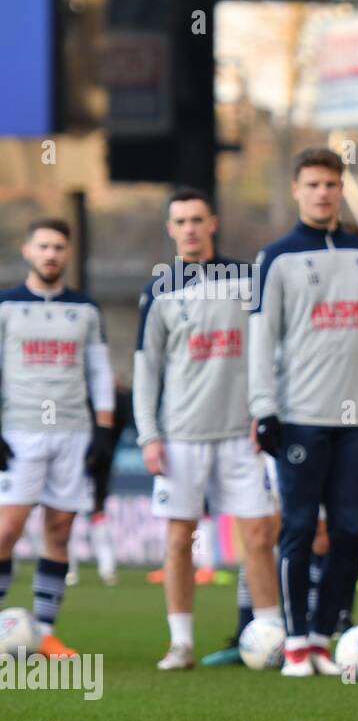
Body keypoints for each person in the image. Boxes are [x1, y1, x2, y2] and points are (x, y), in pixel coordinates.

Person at [249, 147, 358, 678]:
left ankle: (323, 639)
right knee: (299, 528)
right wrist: (263, 409)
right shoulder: (276, 258)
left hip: (356, 424)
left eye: (331, 184)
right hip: (299, 416)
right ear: (297, 190)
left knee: (349, 529)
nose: (323, 192)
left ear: (340, 189)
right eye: (313, 184)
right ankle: (296, 642)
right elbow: (261, 340)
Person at [134, 187, 282, 671]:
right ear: (170, 228)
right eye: (181, 221)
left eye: (198, 219)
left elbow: (271, 349)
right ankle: (180, 643)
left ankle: (272, 638)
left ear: (213, 223)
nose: (190, 228)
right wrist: (148, 435)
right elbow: (146, 369)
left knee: (258, 536)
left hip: (242, 434)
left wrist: (266, 412)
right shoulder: (157, 290)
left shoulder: (247, 279)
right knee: (179, 540)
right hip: (181, 436)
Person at [0, 218, 116, 657]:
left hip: (73, 433)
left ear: (67, 254)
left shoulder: (85, 309)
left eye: (59, 247)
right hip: (20, 431)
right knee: (6, 529)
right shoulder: (6, 305)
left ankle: (44, 632)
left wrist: (103, 428)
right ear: (27, 251)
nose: (51, 254)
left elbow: (99, 372)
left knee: (60, 530)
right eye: (43, 246)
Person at [66, 380, 131, 588]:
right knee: (66, 513)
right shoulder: (77, 395)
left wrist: (105, 448)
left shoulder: (110, 398)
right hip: (73, 457)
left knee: (95, 510)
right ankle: (71, 568)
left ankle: (106, 568)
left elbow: (120, 422)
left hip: (97, 457)